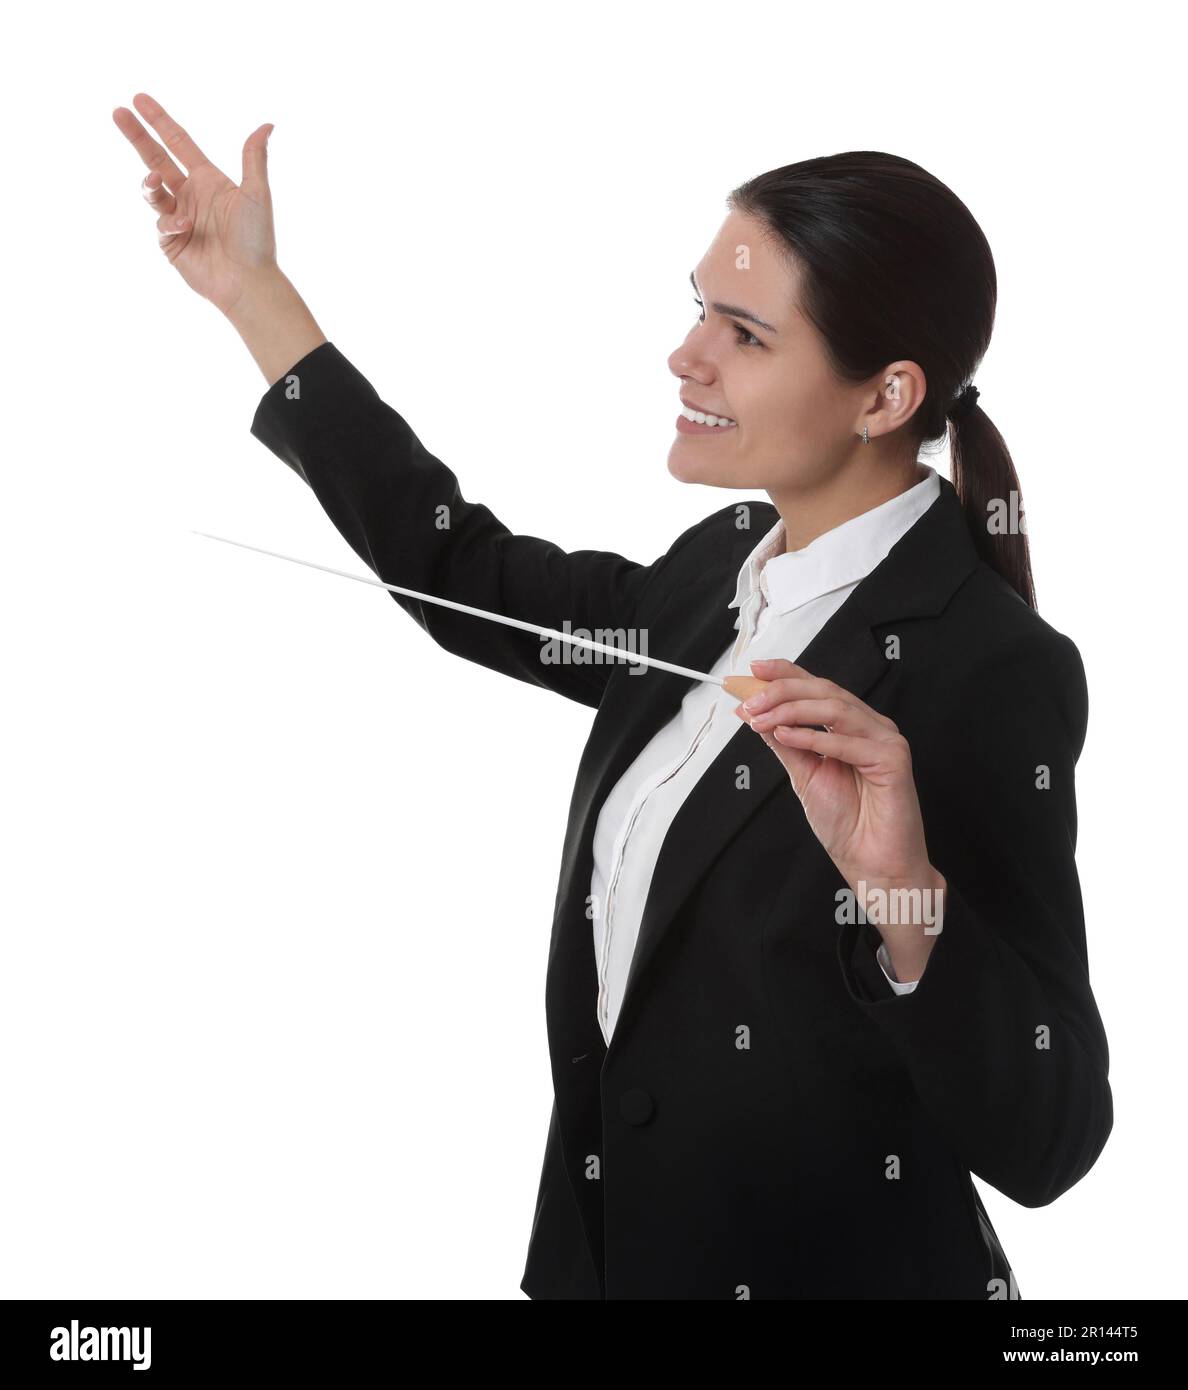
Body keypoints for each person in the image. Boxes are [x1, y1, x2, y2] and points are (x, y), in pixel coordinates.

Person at [113, 94, 1113, 1300]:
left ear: (884, 397)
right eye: (697, 309)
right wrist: (255, 299)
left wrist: (900, 886)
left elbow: (1053, 1133)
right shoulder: (722, 567)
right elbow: (464, 576)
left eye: (744, 333)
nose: (686, 355)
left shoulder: (991, 667)